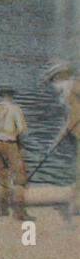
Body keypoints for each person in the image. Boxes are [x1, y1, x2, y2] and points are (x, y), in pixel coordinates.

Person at [0, 85, 31, 220]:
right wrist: (20, 146)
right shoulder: (16, 109)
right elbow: (22, 130)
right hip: (12, 145)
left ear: (0, 95)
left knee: (1, 178)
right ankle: (19, 212)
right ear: (11, 95)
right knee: (19, 179)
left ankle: (1, 210)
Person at [43, 62, 80, 218]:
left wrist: (58, 139)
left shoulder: (72, 88)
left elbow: (74, 118)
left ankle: (74, 207)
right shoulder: (71, 89)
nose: (53, 85)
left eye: (53, 80)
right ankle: (74, 204)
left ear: (60, 77)